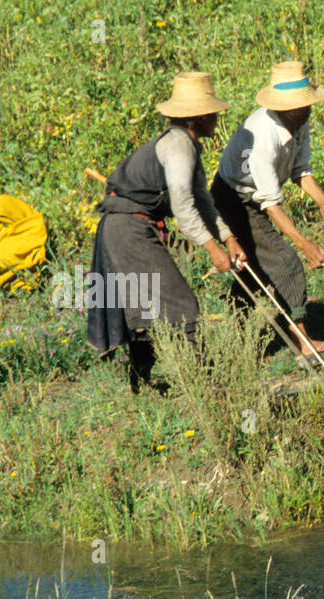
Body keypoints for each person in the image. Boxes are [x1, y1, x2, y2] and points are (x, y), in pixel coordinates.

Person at [87, 72, 246, 393]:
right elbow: (183, 207)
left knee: (147, 305)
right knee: (181, 304)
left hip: (129, 227)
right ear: (197, 117)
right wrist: (213, 250)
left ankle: (139, 382)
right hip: (127, 229)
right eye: (212, 113)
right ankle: (208, 385)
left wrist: (228, 238)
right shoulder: (177, 147)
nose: (216, 118)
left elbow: (201, 201)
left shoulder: (188, 146)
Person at [212, 61, 324, 362]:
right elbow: (270, 204)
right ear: (287, 108)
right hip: (234, 198)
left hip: (256, 197)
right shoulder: (262, 137)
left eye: (309, 103)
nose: (308, 110)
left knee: (256, 268)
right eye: (303, 105)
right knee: (286, 262)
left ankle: (236, 334)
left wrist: (323, 202)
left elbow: (301, 169)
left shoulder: (300, 121)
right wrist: (305, 244)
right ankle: (302, 342)